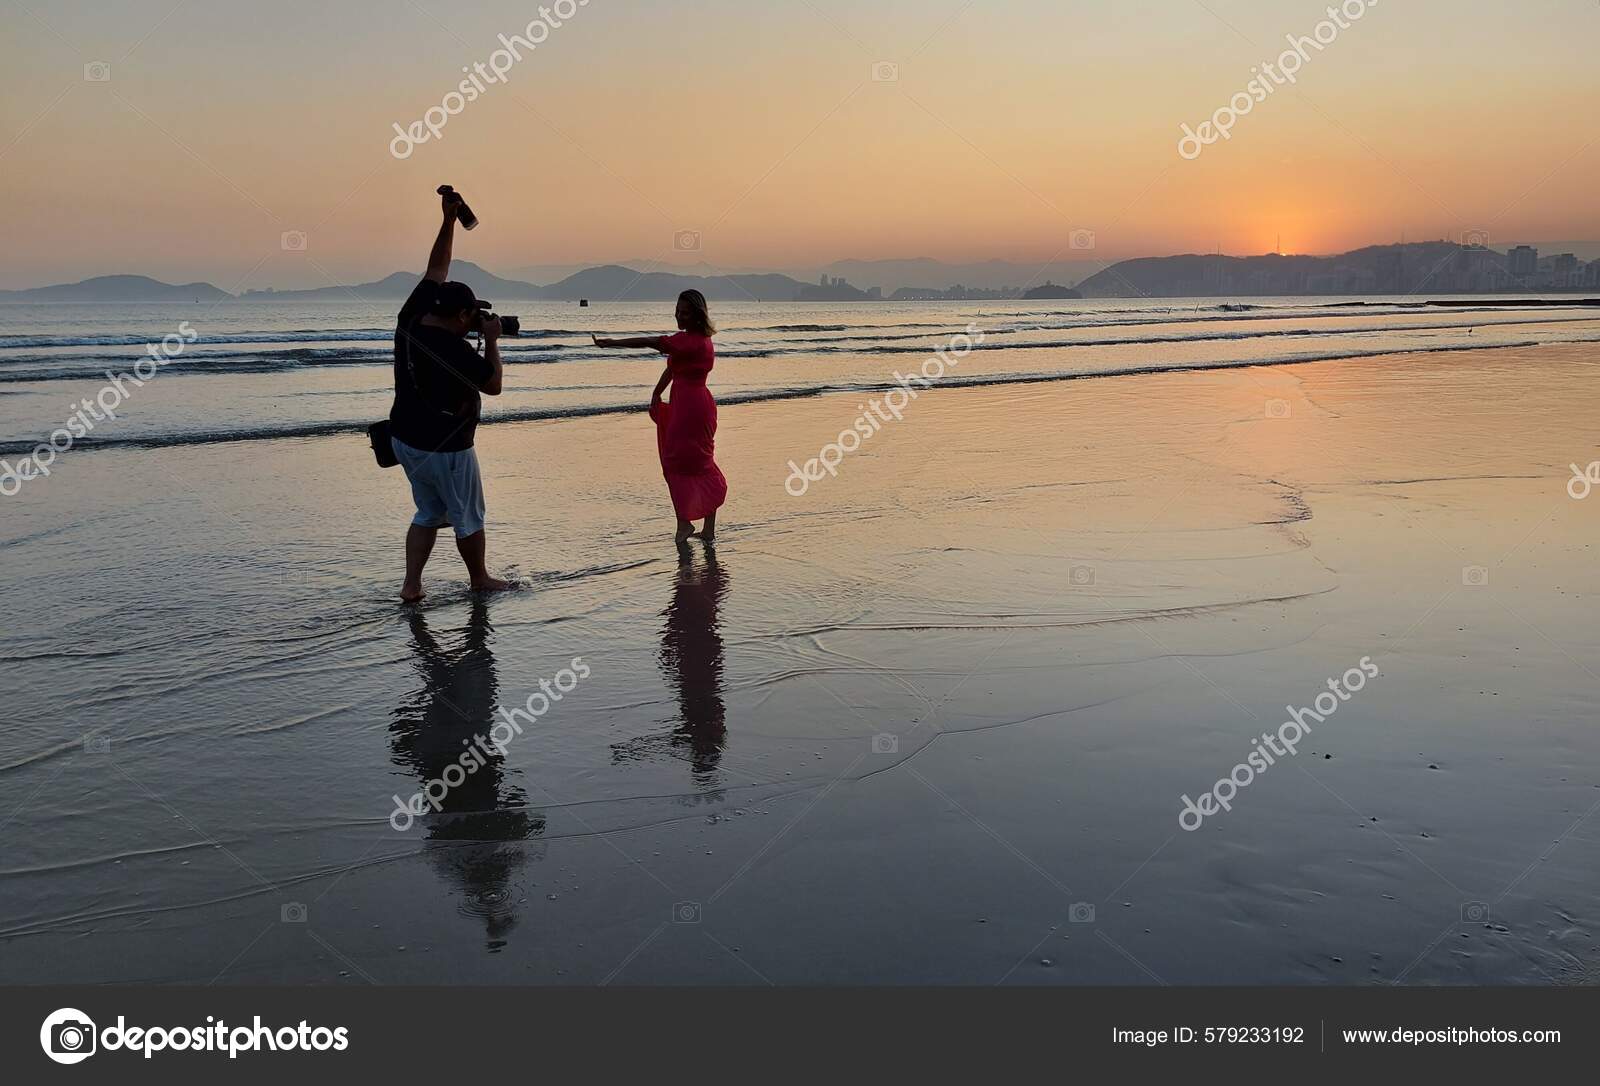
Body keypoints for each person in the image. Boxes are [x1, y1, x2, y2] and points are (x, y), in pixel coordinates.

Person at [389, 190, 510, 601]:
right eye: (472, 317)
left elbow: (436, 269)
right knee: (468, 515)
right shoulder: (453, 348)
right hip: (447, 447)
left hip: (405, 438)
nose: (474, 322)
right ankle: (480, 578)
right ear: (461, 315)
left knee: (428, 511)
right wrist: (491, 341)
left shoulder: (410, 317)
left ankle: (411, 585)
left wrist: (448, 221)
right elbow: (493, 385)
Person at [592, 290, 728, 543]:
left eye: (685, 313)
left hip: (689, 409)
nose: (678, 316)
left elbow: (650, 341)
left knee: (675, 462)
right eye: (677, 311)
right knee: (700, 461)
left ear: (697, 315)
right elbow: (674, 368)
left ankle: (684, 524)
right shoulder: (700, 340)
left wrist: (612, 343)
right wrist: (657, 392)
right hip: (696, 405)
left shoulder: (688, 342)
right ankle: (705, 528)